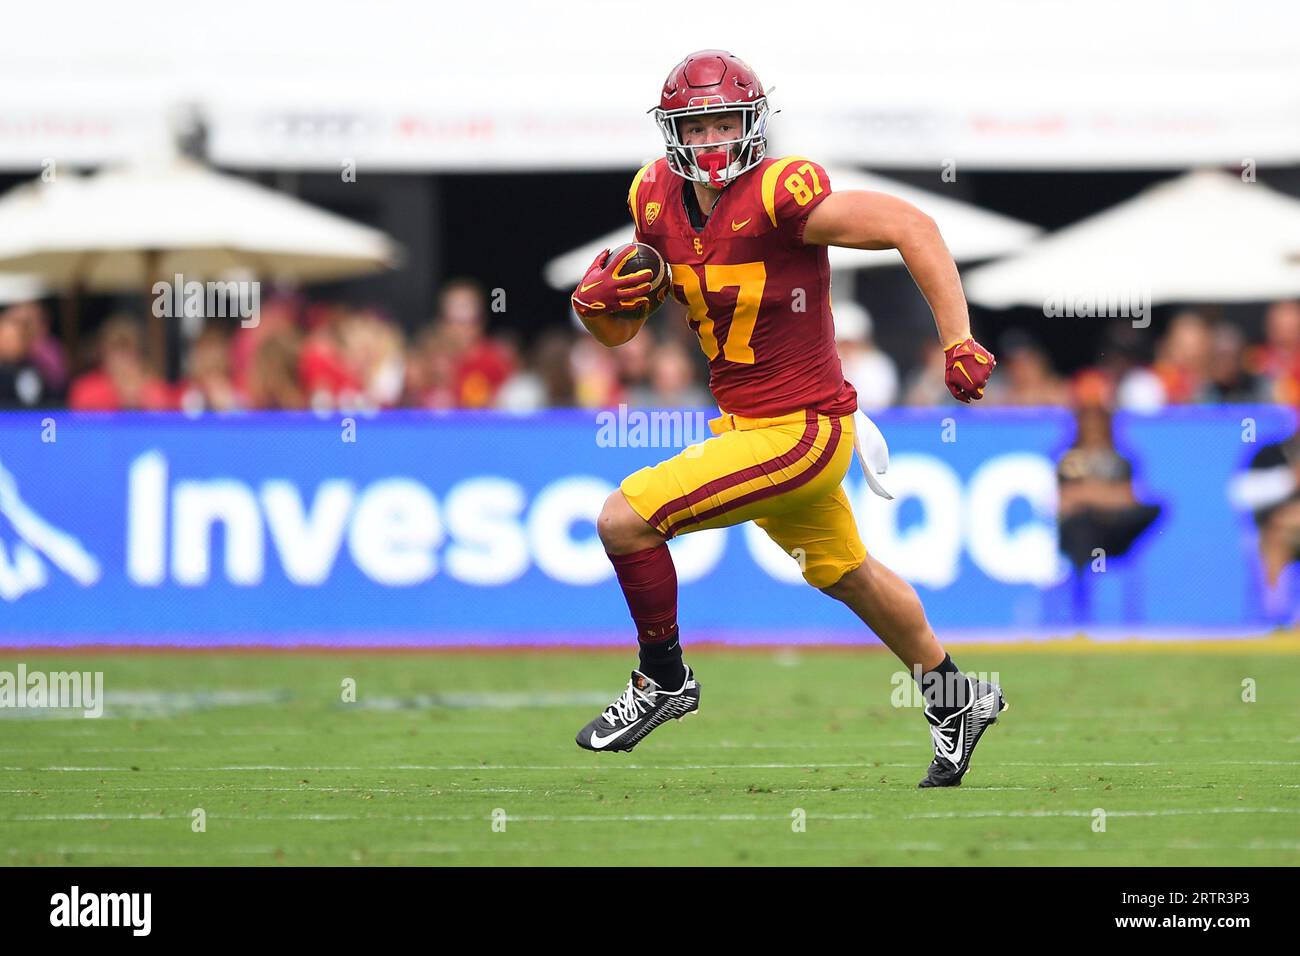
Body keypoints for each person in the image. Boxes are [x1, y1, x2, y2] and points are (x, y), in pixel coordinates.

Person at [569, 50, 1004, 788]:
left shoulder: (782, 192)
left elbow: (913, 224)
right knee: (848, 574)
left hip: (802, 430)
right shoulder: (653, 199)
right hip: (747, 427)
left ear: (752, 123)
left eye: (724, 121)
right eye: (696, 124)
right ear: (672, 132)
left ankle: (664, 680)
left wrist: (957, 337)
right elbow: (623, 332)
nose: (710, 139)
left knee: (624, 520)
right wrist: (596, 315)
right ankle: (954, 696)